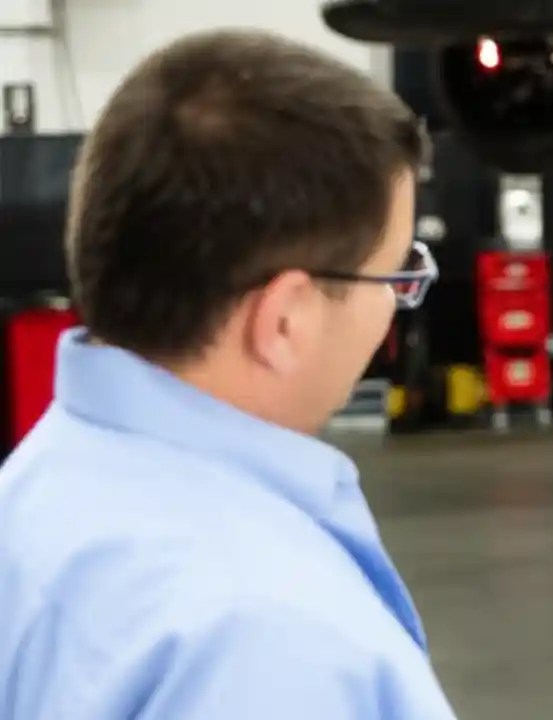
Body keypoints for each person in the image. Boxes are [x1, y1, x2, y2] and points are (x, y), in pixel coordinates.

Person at [0, 29, 455, 719]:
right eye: (395, 274)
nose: (395, 306)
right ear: (285, 320)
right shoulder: (271, 640)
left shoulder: (36, 490)